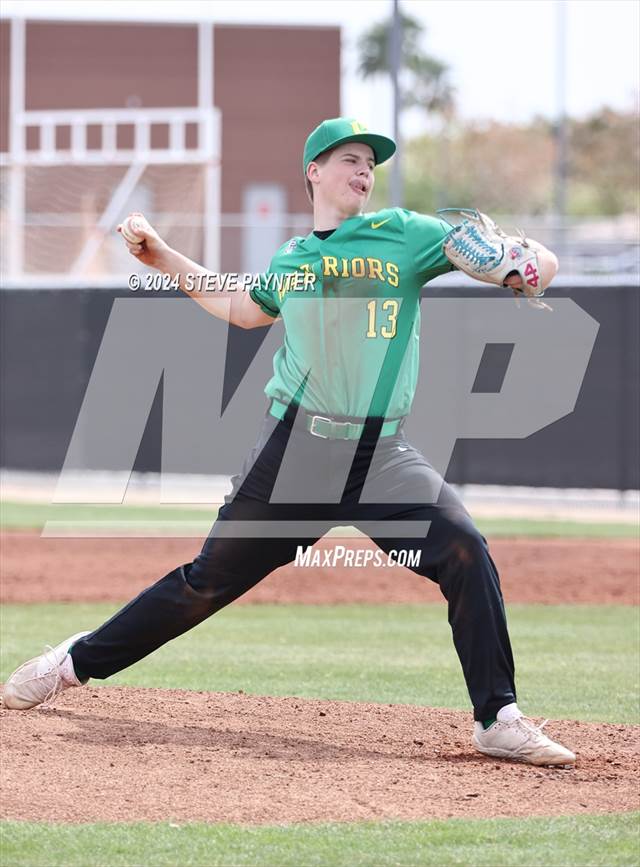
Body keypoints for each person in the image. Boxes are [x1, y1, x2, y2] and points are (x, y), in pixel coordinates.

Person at [3, 118, 575, 768]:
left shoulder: (406, 235)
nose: (364, 171)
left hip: (380, 457)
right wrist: (162, 258)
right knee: (202, 585)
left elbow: (534, 268)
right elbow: (244, 305)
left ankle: (497, 717)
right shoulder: (295, 258)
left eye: (370, 163)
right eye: (351, 159)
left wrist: (522, 260)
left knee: (465, 549)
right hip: (296, 455)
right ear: (314, 171)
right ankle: (73, 662)